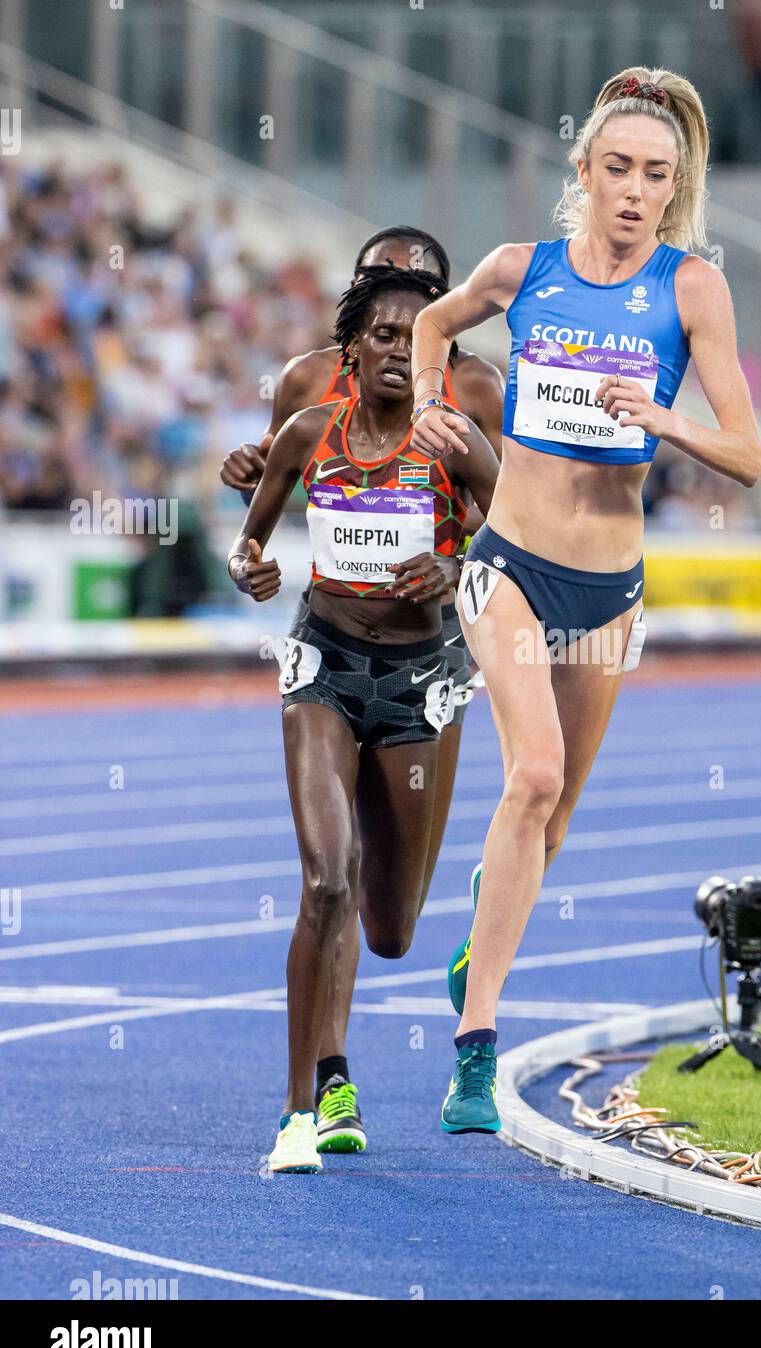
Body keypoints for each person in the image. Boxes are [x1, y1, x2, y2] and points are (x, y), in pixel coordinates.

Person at [409, 66, 761, 1134]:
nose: (632, 190)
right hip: (507, 562)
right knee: (535, 775)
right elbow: (432, 323)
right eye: (615, 168)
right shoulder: (522, 271)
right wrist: (430, 405)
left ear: (674, 186)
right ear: (583, 169)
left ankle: (489, 926)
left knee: (553, 814)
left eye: (655, 175)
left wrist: (666, 422)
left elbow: (745, 452)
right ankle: (475, 1048)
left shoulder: (693, 289)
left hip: (608, 588)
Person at [220, 228, 504, 1157]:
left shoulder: (472, 398)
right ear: (355, 321)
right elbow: (271, 472)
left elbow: (502, 524)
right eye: (379, 306)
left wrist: (454, 559)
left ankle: (482, 926)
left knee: (391, 930)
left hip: (426, 674)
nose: (398, 326)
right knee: (326, 881)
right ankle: (321, 1093)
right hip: (323, 660)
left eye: (417, 304)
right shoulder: (311, 386)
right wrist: (247, 498)